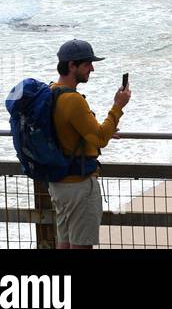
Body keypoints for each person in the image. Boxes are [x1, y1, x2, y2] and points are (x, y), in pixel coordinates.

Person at [48, 39, 130, 249]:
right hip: (79, 186)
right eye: (87, 64)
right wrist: (117, 106)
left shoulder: (51, 91)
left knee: (64, 244)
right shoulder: (73, 100)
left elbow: (69, 129)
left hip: (58, 185)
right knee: (81, 246)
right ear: (72, 65)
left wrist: (101, 130)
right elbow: (100, 139)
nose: (92, 68)